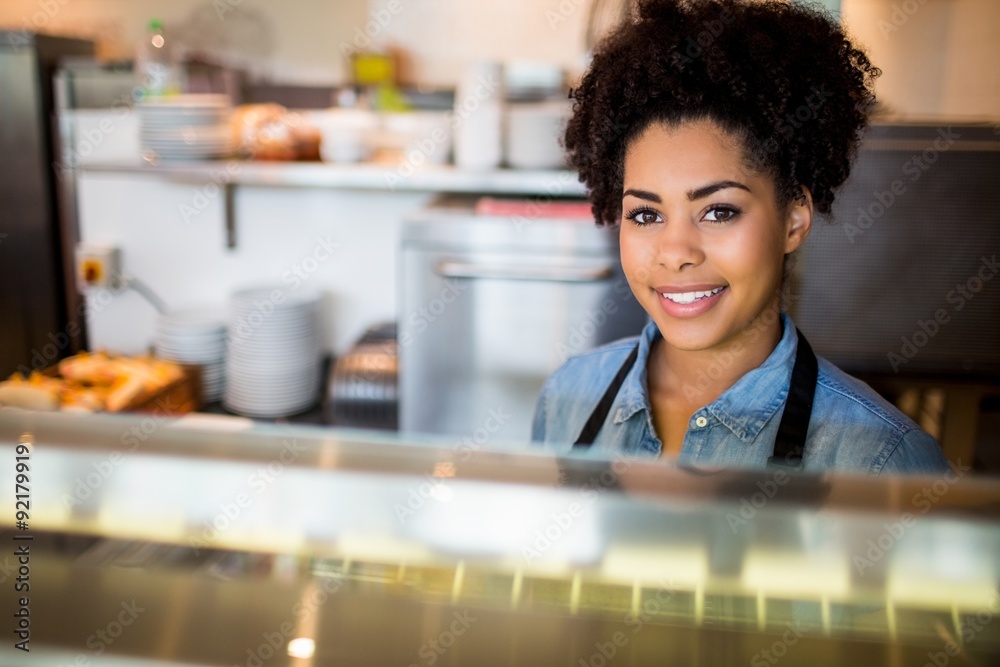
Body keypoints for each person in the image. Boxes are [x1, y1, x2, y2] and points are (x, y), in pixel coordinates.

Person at [531, 0, 950, 475]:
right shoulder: (568, 397)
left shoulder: (883, 457)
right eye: (646, 215)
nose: (675, 254)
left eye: (718, 211)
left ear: (794, 219)